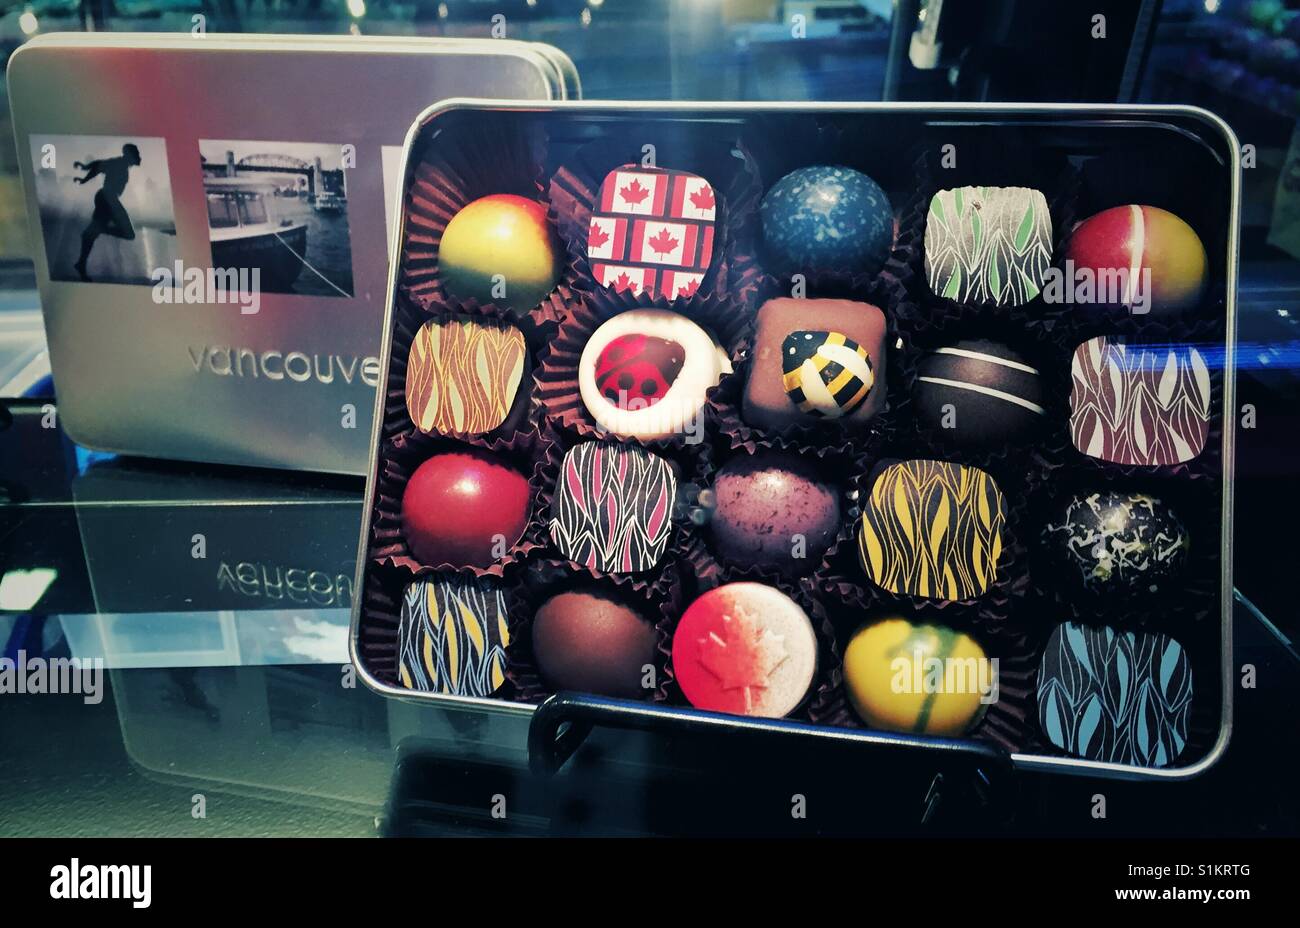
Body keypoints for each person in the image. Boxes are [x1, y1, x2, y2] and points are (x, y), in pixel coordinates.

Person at [72, 143, 142, 282]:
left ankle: (81, 263)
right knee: (128, 233)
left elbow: (99, 165)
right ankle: (98, 232)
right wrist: (84, 175)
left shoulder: (123, 164)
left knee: (90, 234)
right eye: (133, 154)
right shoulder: (119, 162)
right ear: (128, 155)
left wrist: (84, 174)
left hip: (108, 198)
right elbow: (98, 166)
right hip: (107, 198)